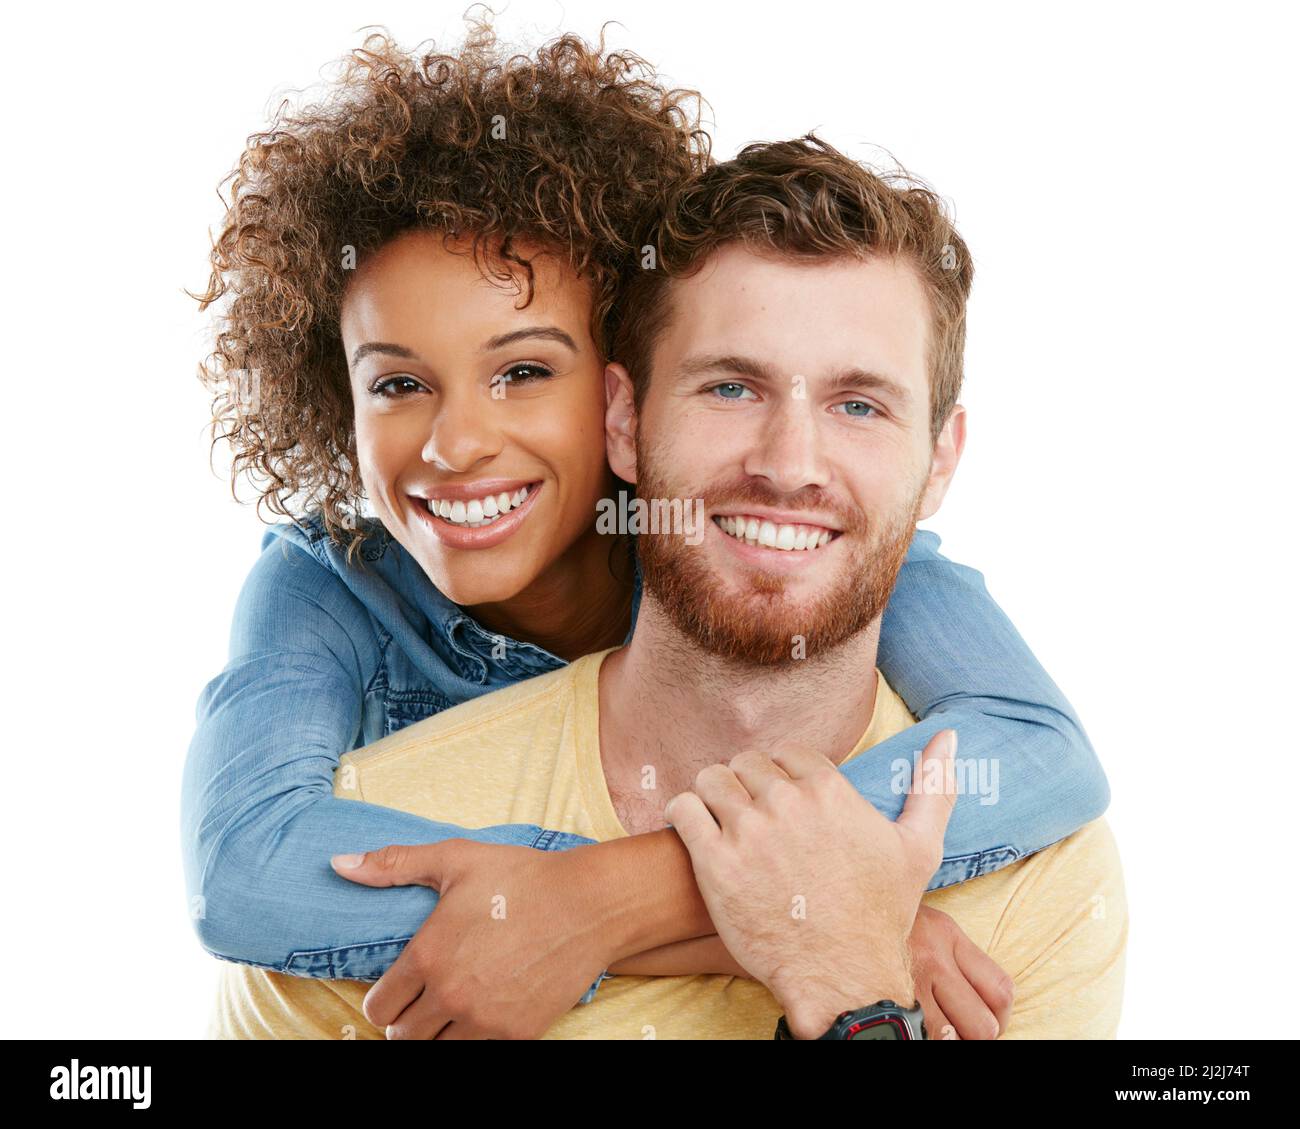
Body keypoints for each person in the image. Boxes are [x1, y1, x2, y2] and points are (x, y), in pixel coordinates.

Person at [184, 23, 1109, 1037]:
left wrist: (622, 905)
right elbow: (242, 877)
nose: (456, 443)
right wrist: (761, 910)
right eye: (398, 383)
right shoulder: (327, 588)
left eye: (524, 371)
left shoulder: (778, 541)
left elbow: (1042, 753)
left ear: (614, 398)